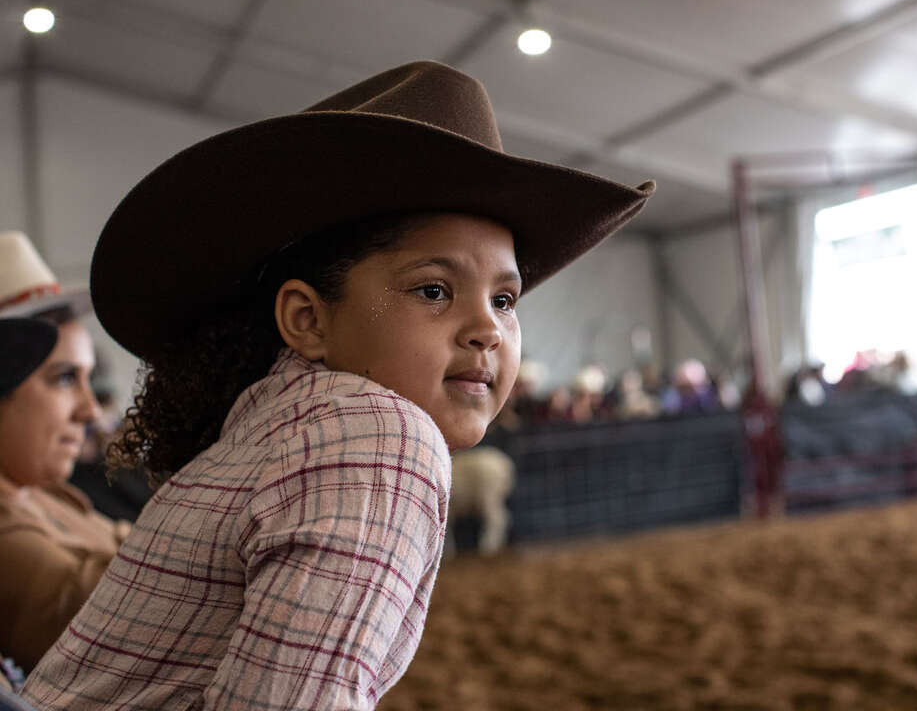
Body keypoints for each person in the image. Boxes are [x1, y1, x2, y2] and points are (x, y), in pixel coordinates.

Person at [22, 61, 653, 710]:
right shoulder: (378, 434)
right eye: (433, 290)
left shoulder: (281, 423)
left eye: (506, 298)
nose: (487, 330)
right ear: (308, 321)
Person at [0, 233, 131, 680]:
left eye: (87, 379)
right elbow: (101, 620)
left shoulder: (42, 493)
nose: (90, 410)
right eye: (62, 379)